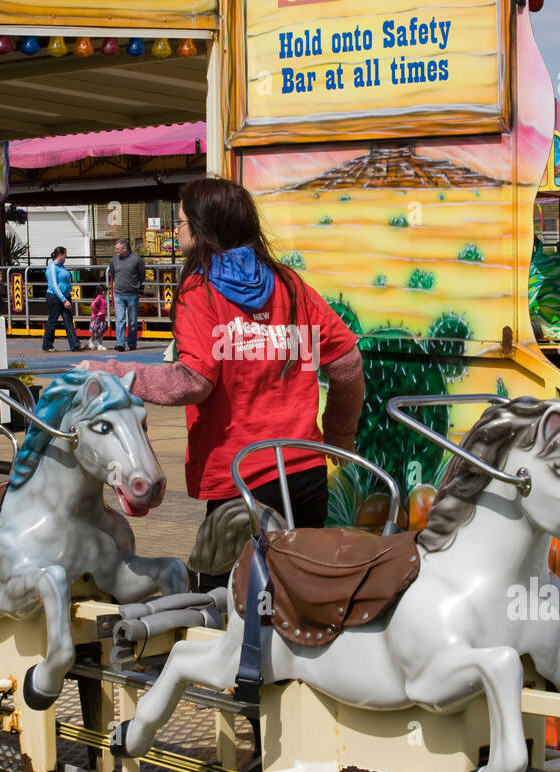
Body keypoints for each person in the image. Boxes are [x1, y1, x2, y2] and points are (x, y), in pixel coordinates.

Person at [82, 176, 364, 559]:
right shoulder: (290, 284)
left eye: (180, 222)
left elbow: (193, 381)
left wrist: (112, 372)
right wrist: (339, 434)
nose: (176, 230)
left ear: (202, 228)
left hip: (242, 478)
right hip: (304, 470)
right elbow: (347, 362)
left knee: (224, 597)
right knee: (297, 591)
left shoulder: (200, 290)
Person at [43, 247, 84, 352]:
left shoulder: (61, 266)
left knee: (68, 320)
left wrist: (68, 294)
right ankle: (47, 345)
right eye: (65, 254)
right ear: (60, 255)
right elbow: (54, 286)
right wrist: (63, 300)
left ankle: (75, 344)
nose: (66, 256)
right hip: (55, 297)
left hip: (65, 296)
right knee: (52, 321)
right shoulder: (52, 267)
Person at [107, 238, 145, 351]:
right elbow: (112, 273)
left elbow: (141, 274)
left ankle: (132, 343)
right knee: (120, 320)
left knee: (132, 321)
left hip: (132, 294)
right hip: (119, 294)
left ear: (125, 248)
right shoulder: (114, 260)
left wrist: (137, 286)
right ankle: (120, 344)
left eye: (118, 249)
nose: (116, 251)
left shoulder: (137, 259)